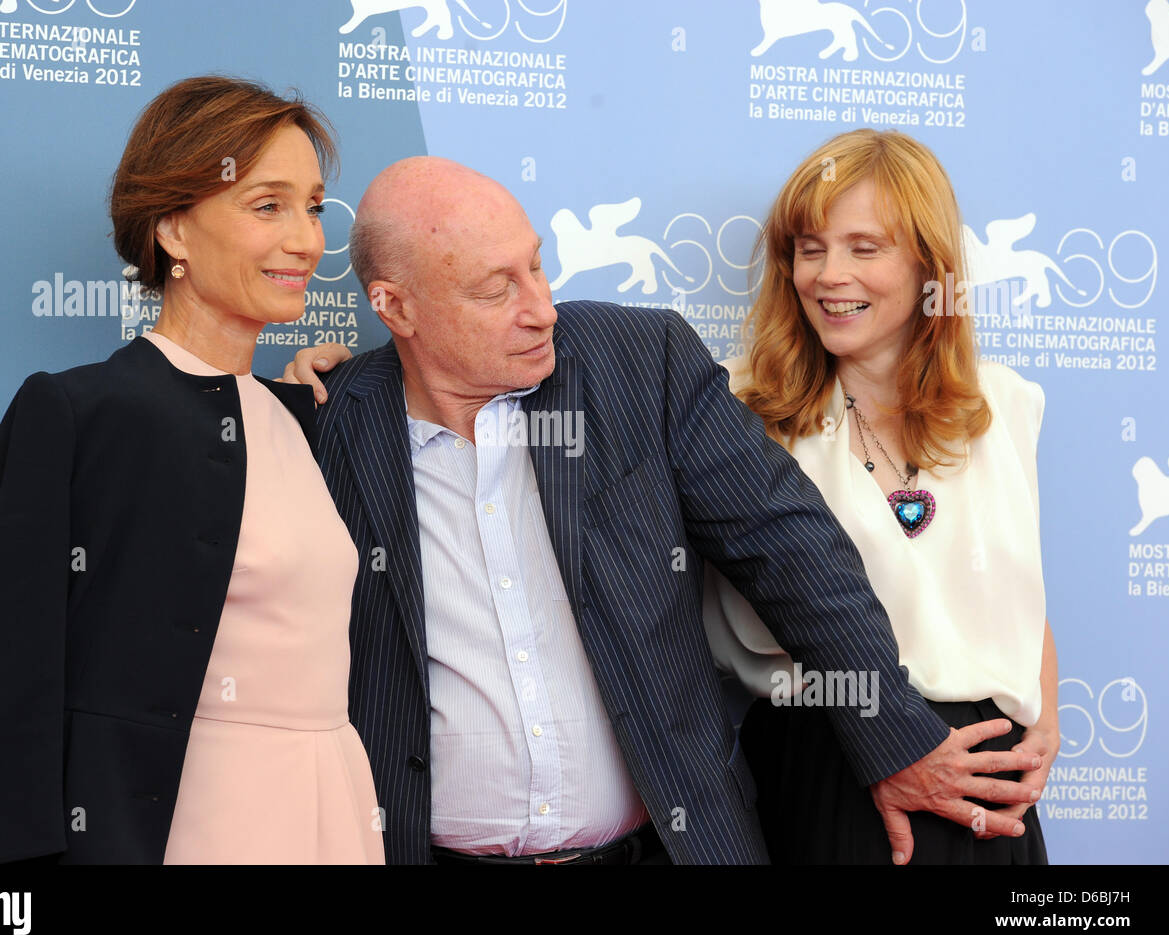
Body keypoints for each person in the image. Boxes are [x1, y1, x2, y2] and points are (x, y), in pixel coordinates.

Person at [283, 155, 1045, 865]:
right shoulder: (325, 427)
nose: (540, 308)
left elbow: (793, 550)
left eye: (536, 265)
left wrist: (894, 738)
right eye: (495, 289)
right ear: (396, 307)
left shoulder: (640, 364)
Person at [0, 76, 384, 865]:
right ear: (174, 228)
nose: (309, 240)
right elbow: (7, 701)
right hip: (186, 830)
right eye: (267, 205)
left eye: (313, 207)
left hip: (331, 815)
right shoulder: (81, 414)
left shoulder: (301, 416)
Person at [704, 128, 1058, 863]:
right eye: (809, 247)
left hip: (989, 781)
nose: (830, 275)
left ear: (930, 263)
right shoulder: (736, 407)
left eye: (865, 249)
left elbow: (1019, 599)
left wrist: (1043, 718)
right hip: (832, 763)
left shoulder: (1005, 404)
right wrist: (892, 749)